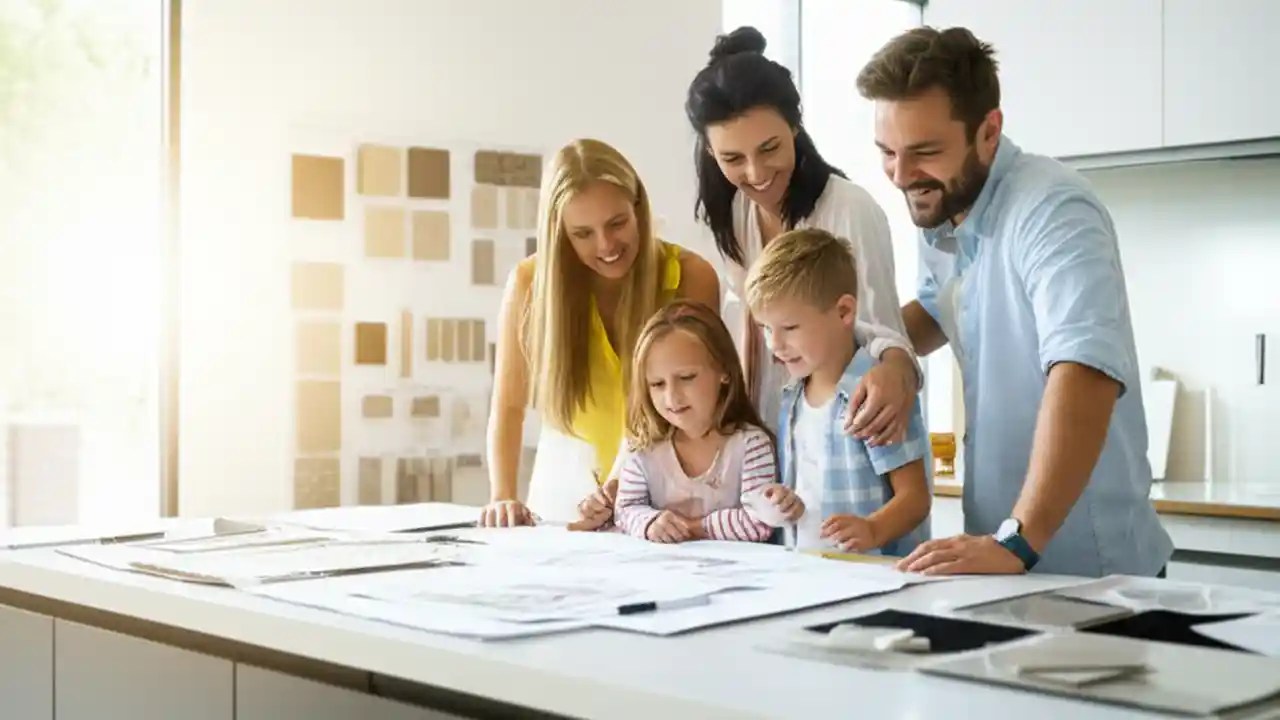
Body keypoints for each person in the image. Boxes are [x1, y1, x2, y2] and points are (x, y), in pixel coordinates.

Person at [855, 27, 1173, 576]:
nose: (902, 176)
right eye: (887, 152)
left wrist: (1021, 540)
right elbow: (938, 308)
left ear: (989, 132)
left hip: (1089, 571)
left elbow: (1084, 368)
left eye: (925, 152)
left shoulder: (1053, 209)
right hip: (1002, 560)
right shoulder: (945, 206)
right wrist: (890, 356)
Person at [685, 25, 920, 448]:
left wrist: (897, 370)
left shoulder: (849, 210)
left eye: (770, 148)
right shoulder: (730, 214)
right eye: (732, 158)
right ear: (708, 150)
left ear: (795, 125)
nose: (756, 174)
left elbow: (886, 339)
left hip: (844, 439)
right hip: (767, 439)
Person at [479, 139, 720, 528]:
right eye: (583, 233)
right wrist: (502, 496)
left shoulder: (691, 277)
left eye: (617, 224)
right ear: (560, 234)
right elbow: (508, 406)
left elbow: (698, 404)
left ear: (638, 209)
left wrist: (621, 485)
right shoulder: (528, 283)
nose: (606, 246)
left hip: (661, 492)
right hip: (564, 487)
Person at [747, 228, 931, 556]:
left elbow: (915, 498)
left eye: (789, 328)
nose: (775, 344)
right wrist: (782, 500)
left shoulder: (877, 396)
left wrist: (873, 529)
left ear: (844, 312)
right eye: (765, 328)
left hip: (876, 580)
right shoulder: (791, 398)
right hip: (811, 574)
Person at [614, 301, 789, 543]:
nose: (672, 397)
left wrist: (691, 528)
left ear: (724, 371)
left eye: (686, 378)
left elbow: (759, 522)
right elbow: (624, 510)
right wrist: (651, 523)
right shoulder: (643, 450)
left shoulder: (751, 446)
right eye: (657, 384)